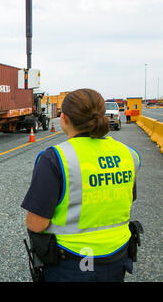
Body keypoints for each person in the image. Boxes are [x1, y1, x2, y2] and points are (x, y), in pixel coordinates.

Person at [21, 89, 141, 282]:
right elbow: (127, 198)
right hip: (118, 257)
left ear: (64, 118)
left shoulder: (55, 158)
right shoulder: (129, 154)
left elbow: (36, 223)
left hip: (72, 263)